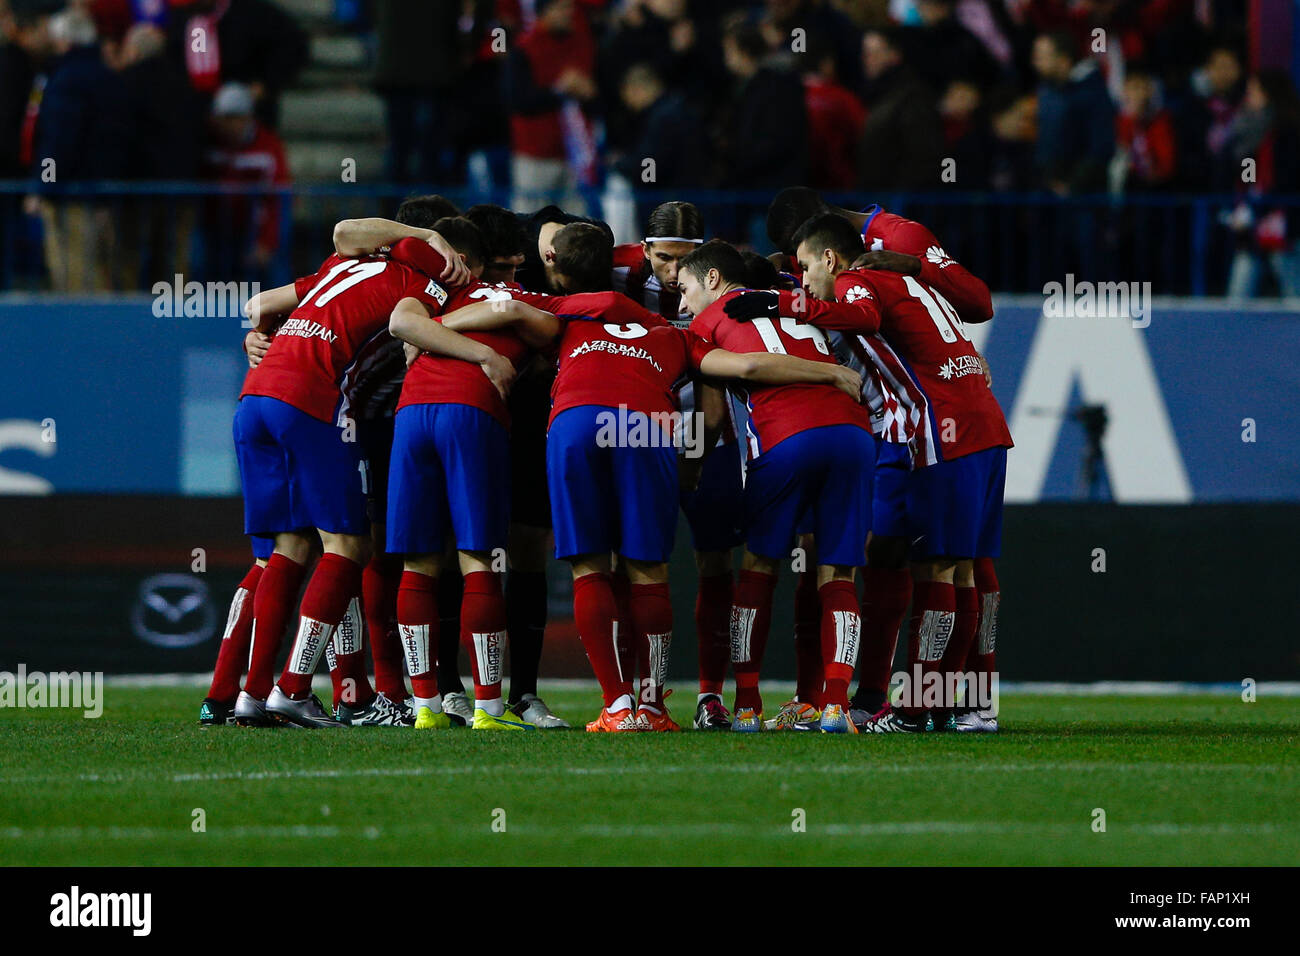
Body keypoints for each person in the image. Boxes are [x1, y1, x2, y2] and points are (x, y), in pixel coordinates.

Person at [439, 225, 862, 733]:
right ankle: (656, 707)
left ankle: (617, 707)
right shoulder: (676, 334)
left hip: (578, 420)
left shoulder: (575, 311)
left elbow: (507, 311)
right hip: (647, 426)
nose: (681, 300)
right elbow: (747, 365)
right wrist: (832, 374)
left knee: (590, 567)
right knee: (650, 571)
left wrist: (439, 324)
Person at [738, 212, 1012, 733]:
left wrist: (780, 302)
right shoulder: (905, 278)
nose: (804, 282)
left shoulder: (859, 281)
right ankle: (950, 705)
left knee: (939, 571)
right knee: (961, 570)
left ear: (830, 258)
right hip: (984, 424)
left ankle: (914, 711)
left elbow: (861, 318)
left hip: (942, 429)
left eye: (805, 268)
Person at [230, 224, 471, 728]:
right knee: (348, 547)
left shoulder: (340, 265)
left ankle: (251, 694)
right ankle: (293, 688)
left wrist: (259, 334)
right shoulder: (425, 285)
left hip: (254, 396)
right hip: (311, 401)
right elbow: (413, 332)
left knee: (289, 546)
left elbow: (257, 304)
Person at [680, 239, 875, 734]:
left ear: (712, 280)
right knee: (839, 572)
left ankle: (746, 706)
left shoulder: (704, 326)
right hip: (852, 435)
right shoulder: (801, 307)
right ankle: (833, 707)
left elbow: (745, 368)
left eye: (683, 289)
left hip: (786, 439)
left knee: (759, 565)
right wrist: (834, 374)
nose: (681, 304)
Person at [611, 201, 740, 730]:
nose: (673, 272)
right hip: (636, 434)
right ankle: (638, 696)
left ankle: (711, 696)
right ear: (643, 251)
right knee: (631, 565)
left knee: (715, 564)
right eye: (665, 258)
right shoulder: (612, 272)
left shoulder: (722, 277)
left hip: (709, 436)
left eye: (685, 260)